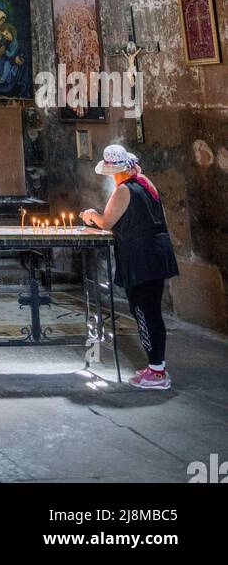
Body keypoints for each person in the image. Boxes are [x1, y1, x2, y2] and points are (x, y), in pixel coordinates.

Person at [80, 143, 178, 390]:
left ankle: (157, 373)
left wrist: (90, 215)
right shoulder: (145, 183)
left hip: (140, 258)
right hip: (157, 254)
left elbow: (106, 222)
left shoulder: (124, 191)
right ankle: (157, 366)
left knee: (144, 313)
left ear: (117, 170)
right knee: (152, 311)